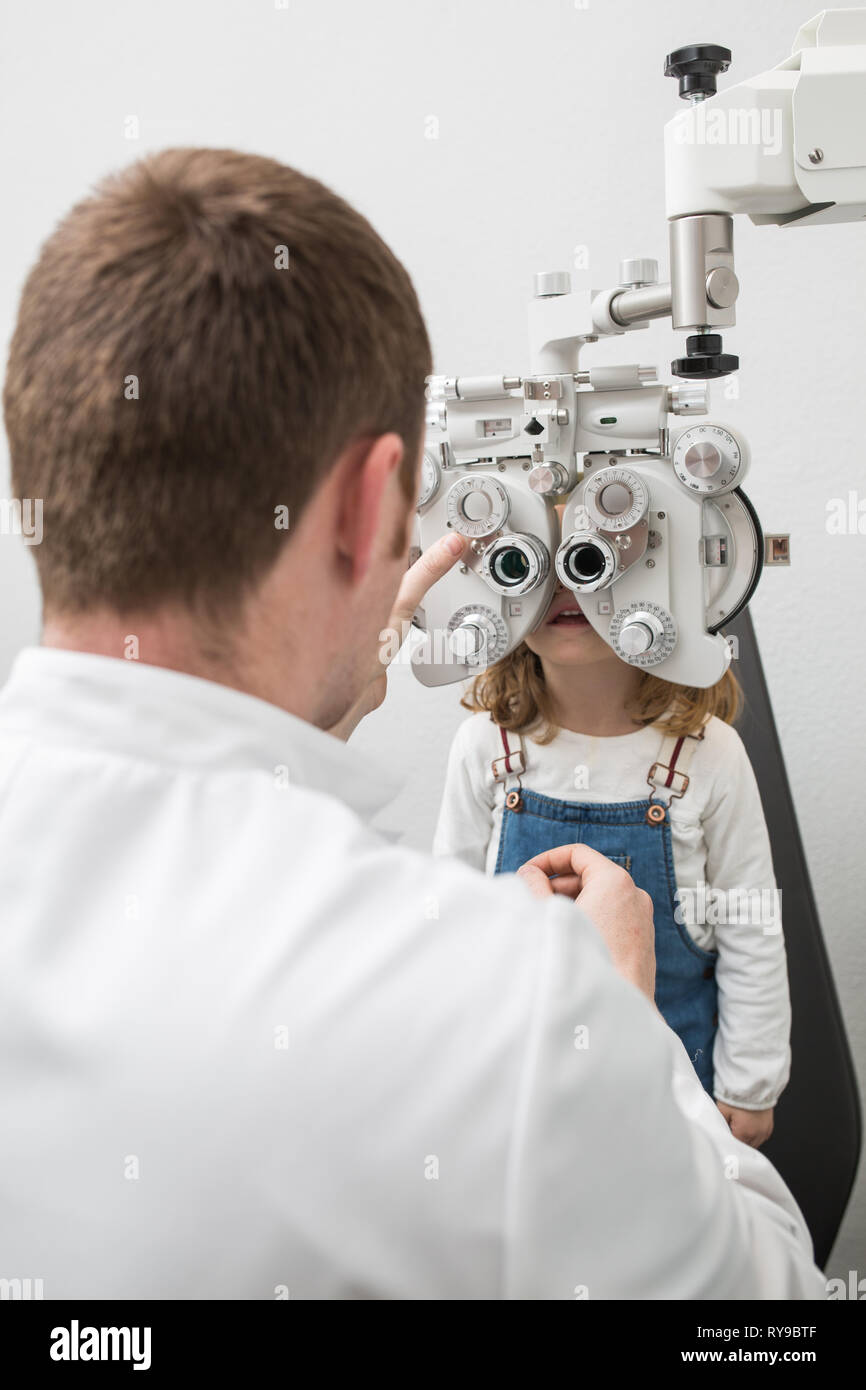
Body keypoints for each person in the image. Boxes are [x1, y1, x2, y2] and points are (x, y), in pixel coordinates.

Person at [0, 148, 823, 1299]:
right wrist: (616, 1031)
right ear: (368, 505)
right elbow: (759, 1313)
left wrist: (306, 718)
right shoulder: (508, 1016)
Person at [434, 584, 790, 1145]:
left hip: (673, 1083)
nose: (563, 584)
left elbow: (751, 927)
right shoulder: (484, 746)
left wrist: (750, 1084)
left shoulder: (709, 753)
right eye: (539, 556)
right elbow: (452, 922)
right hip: (517, 1079)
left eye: (590, 554)